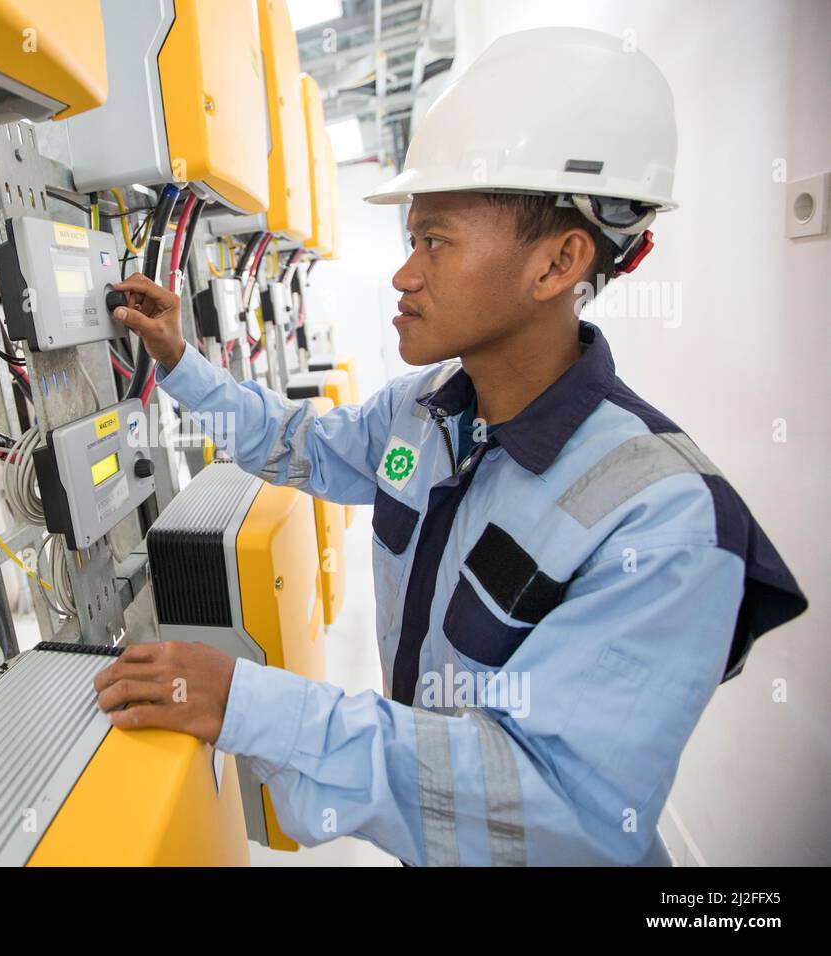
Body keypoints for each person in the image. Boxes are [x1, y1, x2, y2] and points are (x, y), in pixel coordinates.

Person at [91, 27, 806, 865]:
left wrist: (252, 704)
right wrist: (179, 362)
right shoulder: (424, 416)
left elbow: (555, 813)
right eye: (410, 242)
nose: (403, 275)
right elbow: (300, 448)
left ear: (557, 263)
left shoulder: (667, 522)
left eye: (435, 241)